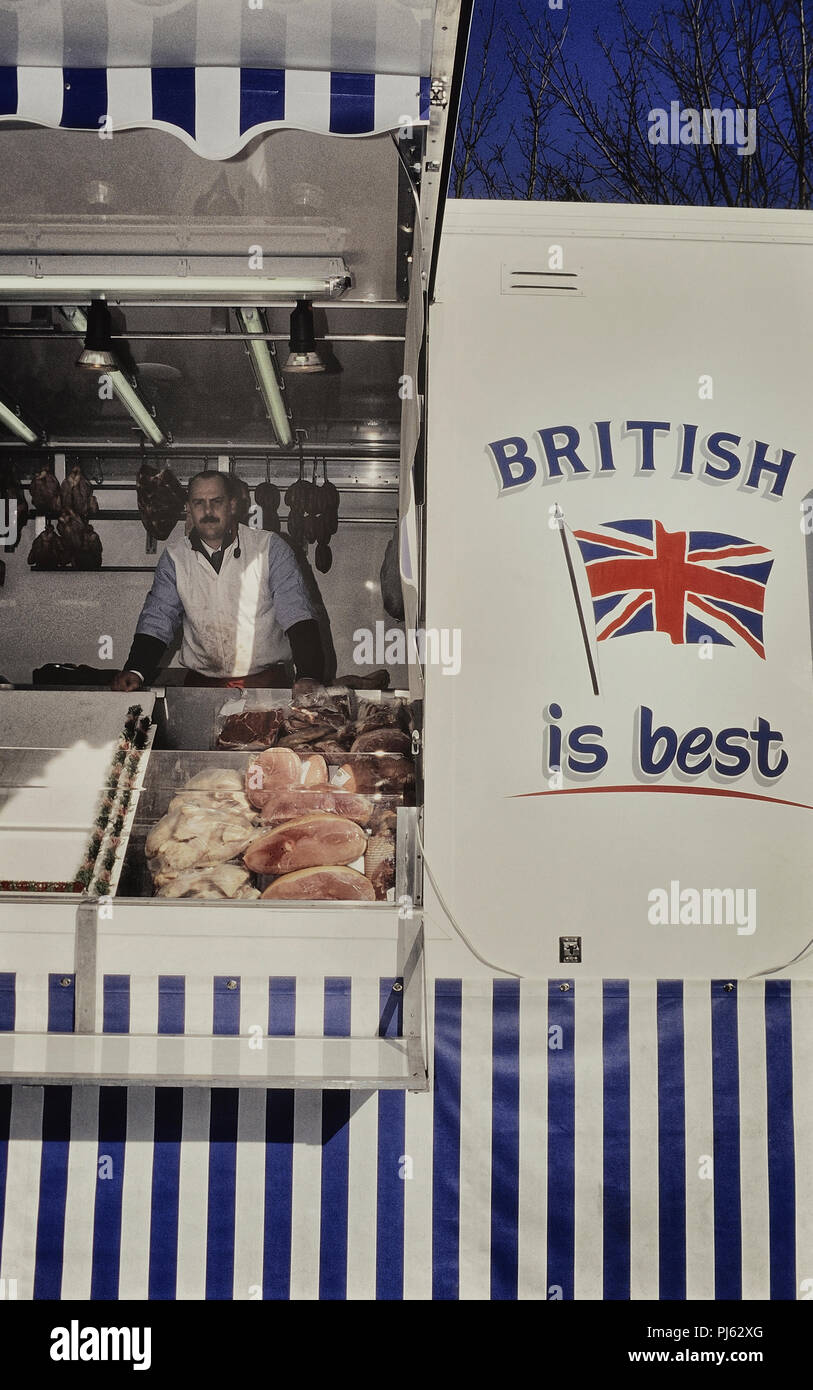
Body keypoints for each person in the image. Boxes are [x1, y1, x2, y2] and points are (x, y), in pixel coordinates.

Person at [111, 472, 324, 693]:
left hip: (266, 685)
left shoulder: (270, 548)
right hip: (202, 686)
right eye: (199, 503)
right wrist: (136, 669)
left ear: (232, 505)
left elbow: (298, 614)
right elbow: (158, 617)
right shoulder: (175, 558)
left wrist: (309, 673)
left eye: (216, 501)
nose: (208, 511)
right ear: (189, 509)